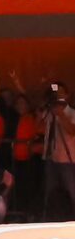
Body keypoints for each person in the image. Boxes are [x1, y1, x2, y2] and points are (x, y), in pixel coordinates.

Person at [39, 81, 75, 219]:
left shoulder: (72, 113)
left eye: (60, 93)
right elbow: (38, 128)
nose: (58, 96)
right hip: (51, 159)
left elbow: (72, 131)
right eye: (55, 93)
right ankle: (49, 217)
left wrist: (61, 115)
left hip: (68, 160)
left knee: (72, 191)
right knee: (50, 192)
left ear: (67, 95)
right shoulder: (49, 113)